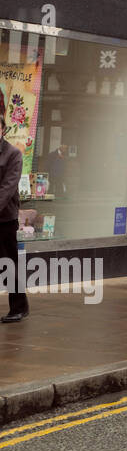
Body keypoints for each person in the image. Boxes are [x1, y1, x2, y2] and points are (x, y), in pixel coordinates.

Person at [0, 112, 28, 322]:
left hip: (5, 219)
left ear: (3, 130)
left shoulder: (12, 154)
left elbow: (7, 188)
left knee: (8, 264)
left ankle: (19, 307)